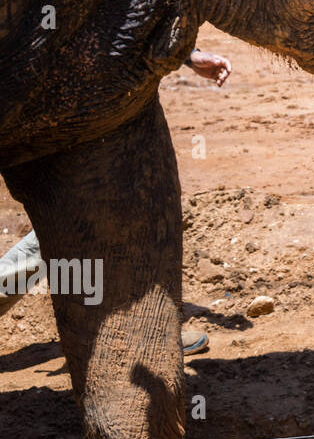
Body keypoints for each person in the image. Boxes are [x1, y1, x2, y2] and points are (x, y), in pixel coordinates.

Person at [0, 48, 233, 354]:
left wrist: (186, 53)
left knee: (88, 211)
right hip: (59, 92)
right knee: (98, 208)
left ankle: (143, 325)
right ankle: (144, 329)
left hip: (52, 85)